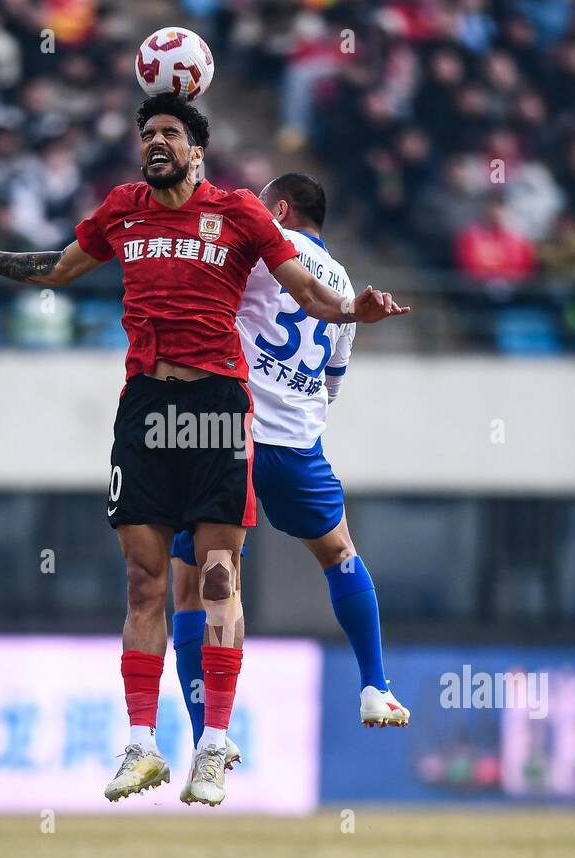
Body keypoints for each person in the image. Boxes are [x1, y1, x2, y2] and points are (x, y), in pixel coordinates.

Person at [0, 93, 409, 807]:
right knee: (146, 584)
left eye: (169, 133)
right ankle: (142, 745)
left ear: (197, 148)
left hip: (219, 409)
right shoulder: (123, 208)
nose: (155, 141)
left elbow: (305, 287)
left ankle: (213, 745)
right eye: (147, 132)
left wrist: (349, 311)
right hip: (145, 410)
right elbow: (58, 268)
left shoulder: (241, 212)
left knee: (216, 578)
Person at [169, 175, 409, 806]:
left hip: (231, 436)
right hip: (298, 447)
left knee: (200, 583)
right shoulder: (346, 287)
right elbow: (331, 386)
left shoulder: (260, 245)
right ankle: (375, 685)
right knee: (341, 556)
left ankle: (206, 737)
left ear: (279, 209)